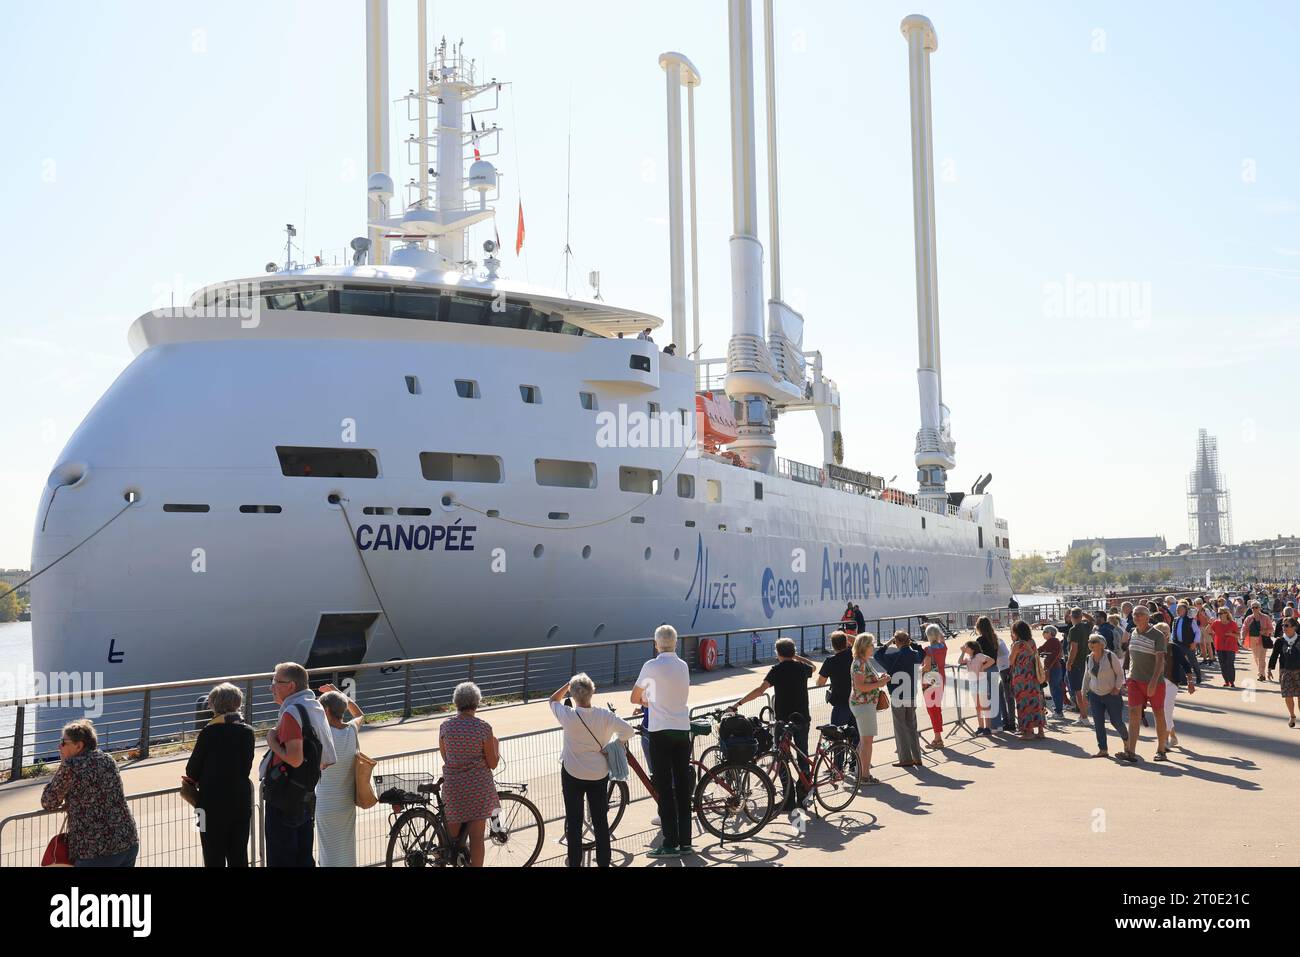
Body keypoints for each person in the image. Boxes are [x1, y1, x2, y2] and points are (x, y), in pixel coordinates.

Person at [550, 674, 637, 867]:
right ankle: (604, 862)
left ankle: (575, 862)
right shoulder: (604, 715)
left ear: (573, 695)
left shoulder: (568, 715)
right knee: (600, 821)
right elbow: (629, 731)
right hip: (599, 774)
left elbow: (553, 699)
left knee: (574, 820)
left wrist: (568, 684)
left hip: (572, 772)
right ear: (592, 692)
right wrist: (616, 744)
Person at [261, 662, 337, 867]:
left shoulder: (291, 713)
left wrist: (271, 741)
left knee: (281, 858)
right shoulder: (314, 707)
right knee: (303, 857)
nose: (271, 687)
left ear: (291, 686)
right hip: (305, 795)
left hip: (283, 797)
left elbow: (294, 758)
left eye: (276, 681)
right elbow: (326, 758)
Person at [733, 637, 819, 810]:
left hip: (782, 720)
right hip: (802, 718)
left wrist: (738, 704)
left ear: (777, 653)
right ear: (793, 652)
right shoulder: (802, 668)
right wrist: (798, 657)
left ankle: (788, 799)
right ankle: (804, 794)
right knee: (803, 755)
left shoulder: (776, 670)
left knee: (780, 759)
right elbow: (814, 667)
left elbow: (760, 690)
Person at [40, 719, 139, 867]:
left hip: (96, 850)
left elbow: (48, 801)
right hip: (127, 840)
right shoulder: (108, 759)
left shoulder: (71, 766)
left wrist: (62, 765)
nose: (59, 746)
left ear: (79, 745)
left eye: (63, 742)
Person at [633, 624, 692, 858]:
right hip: (682, 730)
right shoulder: (683, 665)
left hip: (660, 731)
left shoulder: (651, 665)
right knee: (683, 786)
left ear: (656, 644)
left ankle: (670, 843)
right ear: (675, 642)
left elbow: (634, 696)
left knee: (665, 788)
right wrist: (654, 698)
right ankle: (685, 842)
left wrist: (648, 700)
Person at [184, 682, 255, 867]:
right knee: (239, 854)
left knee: (212, 855)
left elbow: (191, 770)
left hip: (209, 806)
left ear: (214, 704)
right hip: (240, 801)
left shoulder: (209, 733)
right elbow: (245, 767)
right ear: (238, 703)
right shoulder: (248, 732)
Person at [438, 682, 500, 867]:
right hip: (477, 789)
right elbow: (493, 763)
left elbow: (445, 755)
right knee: (476, 837)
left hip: (453, 787)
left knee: (453, 839)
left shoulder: (446, 727)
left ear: (456, 702)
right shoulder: (483, 728)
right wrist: (496, 745)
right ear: (477, 703)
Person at [315, 686, 365, 867]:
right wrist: (341, 694)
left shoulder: (322, 734)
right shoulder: (351, 730)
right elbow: (359, 714)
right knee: (346, 847)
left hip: (326, 802)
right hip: (347, 802)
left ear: (326, 711)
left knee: (328, 850)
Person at [1119, 606, 1170, 763]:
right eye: (1135, 614)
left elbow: (1160, 661)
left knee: (1158, 713)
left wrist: (1154, 681)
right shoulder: (1133, 632)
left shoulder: (1157, 635)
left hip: (1153, 681)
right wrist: (1125, 678)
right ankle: (1131, 751)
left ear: (1148, 617)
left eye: (1140, 614)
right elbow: (1131, 657)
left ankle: (1161, 750)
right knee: (1134, 714)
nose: (1137, 617)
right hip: (1134, 680)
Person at [875, 630, 926, 766]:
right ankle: (917, 757)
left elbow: (877, 655)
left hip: (898, 694)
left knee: (900, 727)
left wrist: (888, 643)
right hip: (911, 693)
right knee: (911, 726)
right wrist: (911, 642)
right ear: (908, 641)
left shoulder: (894, 657)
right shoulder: (915, 655)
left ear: (896, 642)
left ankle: (905, 759)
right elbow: (922, 651)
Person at [848, 633, 891, 783]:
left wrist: (880, 680)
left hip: (865, 704)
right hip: (863, 704)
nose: (873, 647)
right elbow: (860, 686)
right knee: (867, 741)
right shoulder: (859, 663)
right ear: (864, 647)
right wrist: (880, 683)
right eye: (871, 645)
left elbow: (864, 682)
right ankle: (864, 776)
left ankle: (861, 772)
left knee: (864, 740)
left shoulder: (863, 661)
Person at [1080, 635, 1129, 758]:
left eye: (1094, 642)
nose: (1091, 644)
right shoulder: (1088, 658)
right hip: (1095, 694)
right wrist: (1083, 694)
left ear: (1102, 644)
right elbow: (1087, 676)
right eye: (1089, 641)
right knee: (1098, 723)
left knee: (1116, 721)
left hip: (1111, 694)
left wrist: (1117, 688)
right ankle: (1103, 749)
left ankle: (1127, 745)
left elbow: (1120, 674)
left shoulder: (1109, 656)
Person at [817, 631, 859, 749]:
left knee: (837, 738)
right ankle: (855, 764)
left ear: (832, 645)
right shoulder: (853, 655)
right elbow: (859, 641)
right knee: (856, 736)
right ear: (847, 643)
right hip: (856, 702)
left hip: (840, 704)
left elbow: (821, 682)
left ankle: (838, 766)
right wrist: (845, 635)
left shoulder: (830, 661)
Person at [1157, 624, 1196, 749]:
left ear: (1169, 633)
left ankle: (1164, 742)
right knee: (1162, 711)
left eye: (1165, 632)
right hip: (1156, 683)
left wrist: (1190, 682)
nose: (1163, 634)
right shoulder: (1153, 647)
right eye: (1160, 632)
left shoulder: (1174, 648)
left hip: (1171, 682)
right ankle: (1173, 737)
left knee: (1166, 711)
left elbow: (1186, 665)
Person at [1008, 620, 1046, 740]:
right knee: (1036, 701)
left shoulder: (1017, 644)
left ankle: (1028, 732)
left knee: (1024, 702)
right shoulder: (1032, 642)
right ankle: (1040, 731)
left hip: (1021, 677)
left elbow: (1010, 660)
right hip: (1033, 675)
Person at [958, 640, 996, 736]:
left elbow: (991, 660)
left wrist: (983, 668)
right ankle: (981, 726)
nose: (965, 648)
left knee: (985, 705)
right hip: (973, 682)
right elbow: (959, 661)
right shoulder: (968, 658)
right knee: (978, 706)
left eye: (967, 647)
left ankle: (988, 727)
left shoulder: (979, 655)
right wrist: (962, 652)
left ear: (972, 648)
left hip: (981, 681)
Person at [1267, 617, 1300, 728]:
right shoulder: (1280, 641)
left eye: (1286, 625)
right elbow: (1274, 655)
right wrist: (1270, 668)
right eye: (1283, 625)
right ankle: (1292, 715)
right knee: (1288, 695)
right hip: (1285, 671)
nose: (1283, 628)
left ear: (1294, 627)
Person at [920, 624, 948, 749]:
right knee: (937, 708)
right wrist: (933, 628)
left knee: (932, 710)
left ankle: (938, 738)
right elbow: (942, 638)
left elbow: (926, 667)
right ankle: (938, 736)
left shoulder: (928, 650)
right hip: (941, 679)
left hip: (930, 681)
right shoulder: (943, 647)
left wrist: (919, 669)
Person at [1064, 608, 1092, 725]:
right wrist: (1084, 612)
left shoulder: (1074, 629)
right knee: (1084, 690)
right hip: (1085, 661)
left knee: (1078, 692)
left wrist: (1069, 663)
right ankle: (1082, 715)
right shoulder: (1086, 626)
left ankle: (1084, 717)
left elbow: (1073, 648)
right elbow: (1092, 620)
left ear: (1071, 617)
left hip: (1076, 664)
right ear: (1081, 617)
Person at [1209, 606, 1241, 687]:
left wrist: (1230, 634)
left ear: (1226, 614)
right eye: (1218, 613)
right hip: (1219, 646)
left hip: (1230, 646)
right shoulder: (1216, 623)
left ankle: (1232, 681)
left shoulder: (1232, 623)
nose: (1219, 615)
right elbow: (1208, 631)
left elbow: (1238, 635)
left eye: (1221, 613)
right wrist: (1210, 623)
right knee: (1222, 664)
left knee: (1229, 663)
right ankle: (1226, 681)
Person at [1242, 601, 1274, 682]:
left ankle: (1261, 674)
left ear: (1260, 608)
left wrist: (1265, 632)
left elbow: (1271, 629)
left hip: (1263, 640)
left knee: (1261, 658)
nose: (1254, 609)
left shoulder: (1265, 617)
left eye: (1256, 607)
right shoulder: (1249, 618)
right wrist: (1242, 637)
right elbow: (1244, 628)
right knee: (1256, 658)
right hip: (1252, 640)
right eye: (1252, 607)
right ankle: (1261, 672)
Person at [1039, 624, 1066, 717]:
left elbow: (1040, 649)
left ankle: (1058, 711)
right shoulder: (1054, 641)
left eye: (1044, 632)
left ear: (1049, 633)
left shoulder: (1052, 641)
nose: (1043, 634)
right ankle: (1058, 710)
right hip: (1055, 668)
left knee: (1055, 689)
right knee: (1055, 689)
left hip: (1053, 668)